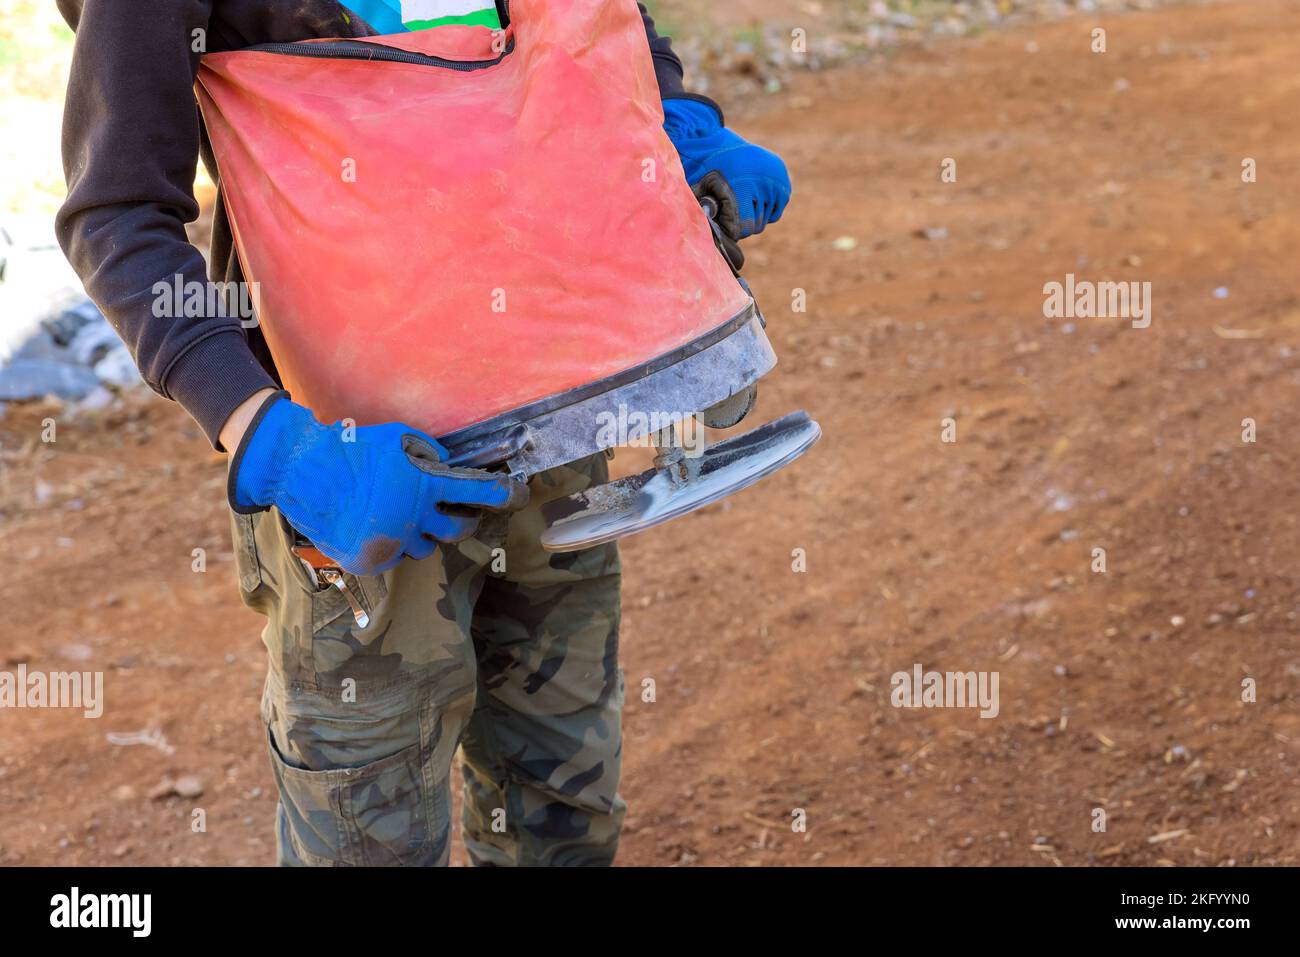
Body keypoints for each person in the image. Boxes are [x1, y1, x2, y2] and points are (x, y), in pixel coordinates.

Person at [55, 0, 791, 866]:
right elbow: (114, 215)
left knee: (562, 813)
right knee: (369, 842)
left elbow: (593, 27)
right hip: (357, 474)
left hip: (557, 422)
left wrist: (679, 120)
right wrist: (270, 441)